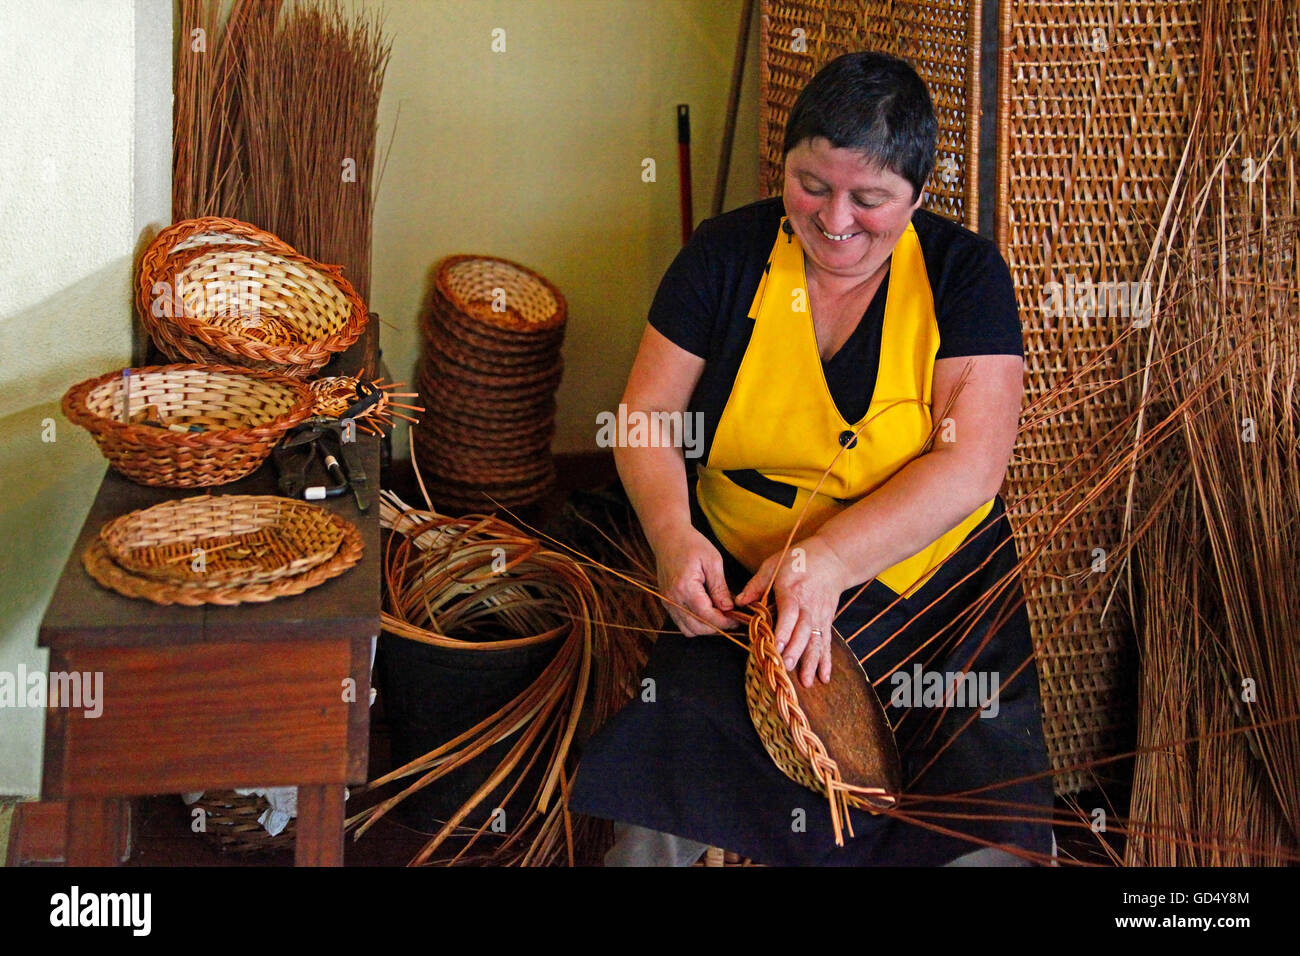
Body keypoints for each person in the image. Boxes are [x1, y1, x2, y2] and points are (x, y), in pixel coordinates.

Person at [569, 51, 1055, 866]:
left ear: (917, 198)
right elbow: (647, 417)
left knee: (972, 819)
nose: (835, 220)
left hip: (928, 578)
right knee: (676, 776)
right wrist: (670, 535)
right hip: (747, 585)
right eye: (811, 185)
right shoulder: (725, 256)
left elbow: (971, 468)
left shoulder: (963, 275)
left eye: (870, 200)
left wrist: (829, 562)